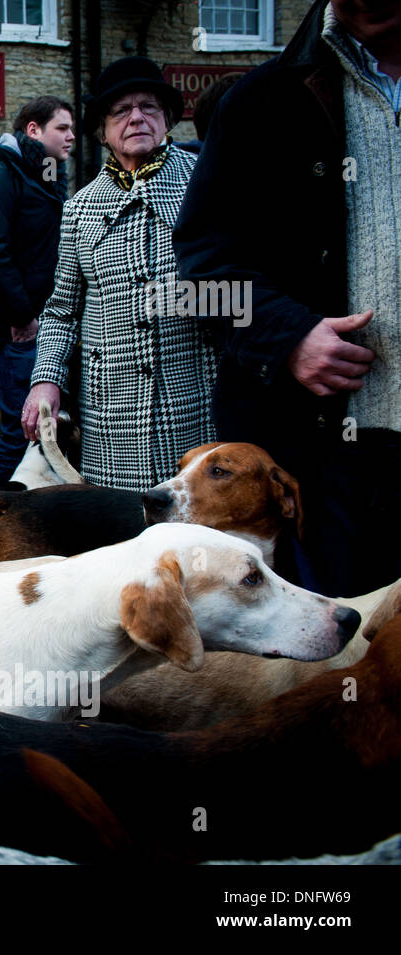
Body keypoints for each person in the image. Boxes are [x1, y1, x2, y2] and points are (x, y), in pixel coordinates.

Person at [173, 0, 401, 595]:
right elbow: (199, 280)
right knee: (341, 660)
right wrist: (286, 335)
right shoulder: (262, 102)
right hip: (329, 454)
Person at [20, 57, 215, 492]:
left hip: (193, 404)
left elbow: (244, 294)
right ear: (103, 132)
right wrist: (45, 380)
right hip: (110, 414)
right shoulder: (81, 207)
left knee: (193, 541)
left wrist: (172, 299)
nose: (137, 118)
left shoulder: (205, 185)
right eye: (121, 111)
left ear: (166, 119)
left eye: (149, 107)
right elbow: (61, 312)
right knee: (119, 543)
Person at [0, 96, 74, 489]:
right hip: (17, 333)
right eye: (62, 128)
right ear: (33, 130)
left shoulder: (44, 180)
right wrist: (22, 316)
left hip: (47, 328)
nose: (71, 137)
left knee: (43, 437)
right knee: (18, 434)